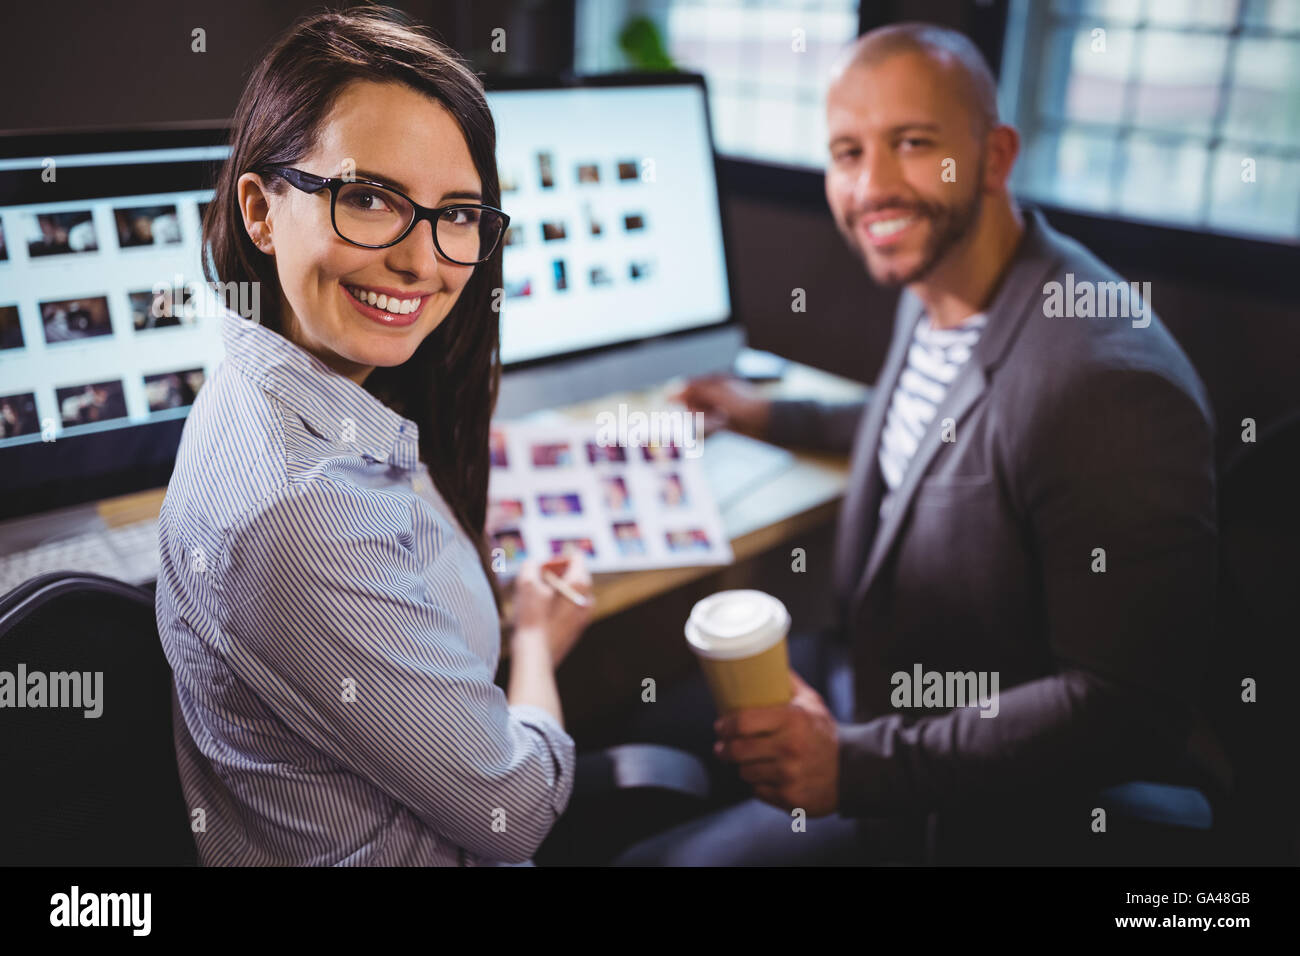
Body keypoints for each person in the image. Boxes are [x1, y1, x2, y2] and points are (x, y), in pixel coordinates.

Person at [627, 22, 1217, 865]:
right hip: (877, 678)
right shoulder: (946, 274)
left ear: (994, 155)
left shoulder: (1109, 385)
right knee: (644, 737)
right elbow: (939, 427)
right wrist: (769, 416)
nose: (872, 188)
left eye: (911, 144)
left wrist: (856, 766)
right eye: (846, 152)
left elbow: (1126, 707)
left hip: (962, 792)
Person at [155, 6, 593, 866]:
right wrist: (538, 640)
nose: (421, 261)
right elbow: (516, 809)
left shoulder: (272, 383)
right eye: (366, 197)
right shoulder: (295, 514)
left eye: (458, 214)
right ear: (261, 211)